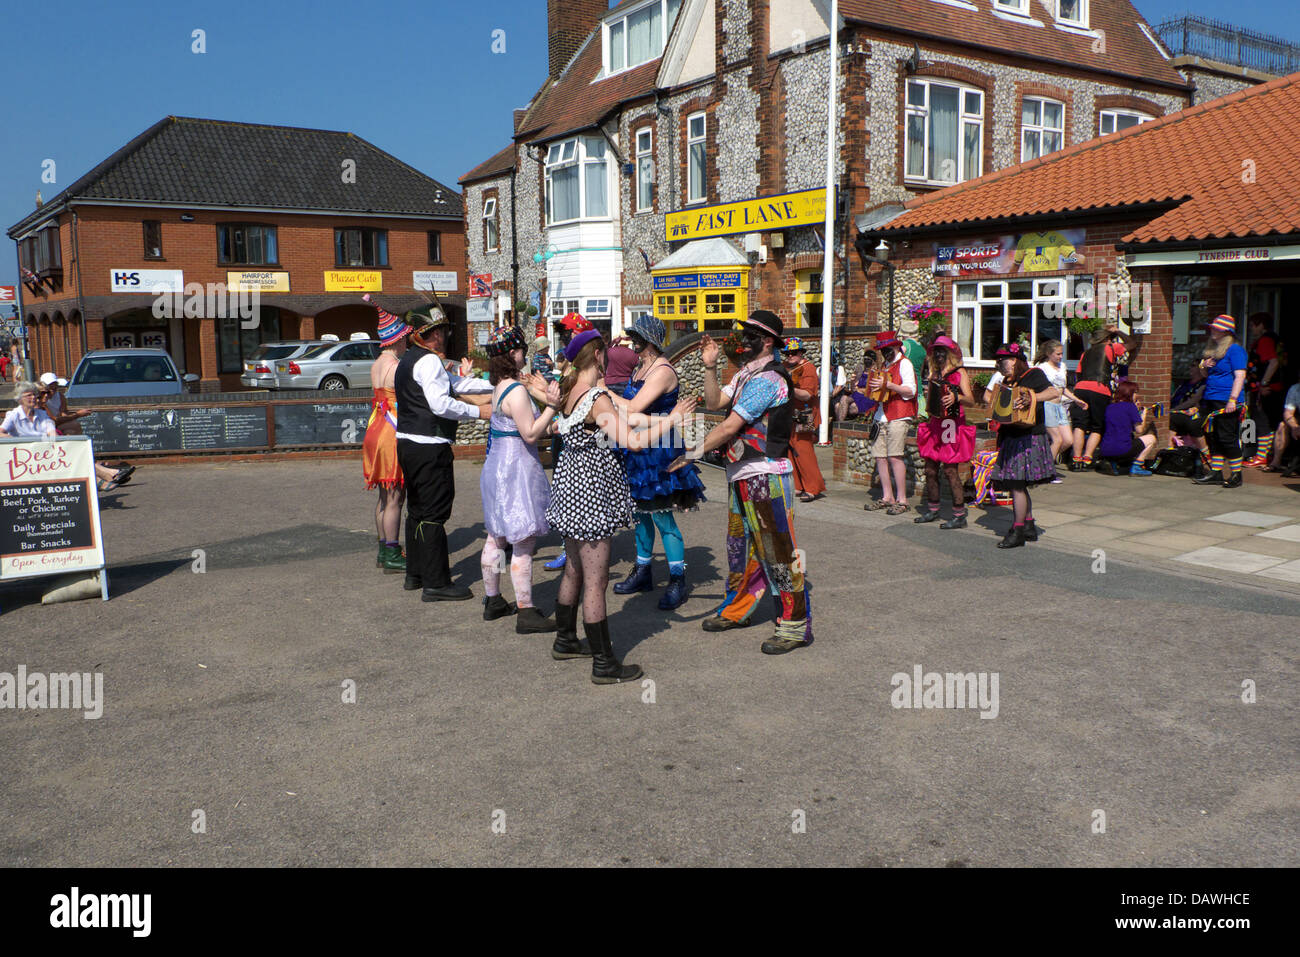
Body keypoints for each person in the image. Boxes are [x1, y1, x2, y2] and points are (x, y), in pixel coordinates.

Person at [546, 329, 695, 684]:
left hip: (569, 489)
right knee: (595, 581)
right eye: (607, 353)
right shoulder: (596, 397)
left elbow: (628, 417)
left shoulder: (570, 393)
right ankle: (604, 663)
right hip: (591, 493)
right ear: (598, 355)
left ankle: (565, 639)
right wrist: (672, 422)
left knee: (573, 571)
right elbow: (633, 441)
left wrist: (665, 418)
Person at [677, 310, 812, 655]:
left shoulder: (769, 379)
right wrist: (709, 366)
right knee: (741, 549)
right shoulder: (745, 375)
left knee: (779, 552)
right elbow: (713, 403)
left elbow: (728, 427)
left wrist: (691, 453)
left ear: (767, 341)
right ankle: (738, 609)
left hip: (766, 474)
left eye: (750, 333)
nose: (742, 338)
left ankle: (795, 626)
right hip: (742, 474)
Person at [394, 303, 494, 602]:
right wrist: (479, 411)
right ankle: (436, 582)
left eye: (443, 330)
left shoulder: (412, 358)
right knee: (435, 513)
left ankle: (416, 574)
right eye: (439, 331)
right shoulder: (428, 362)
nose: (444, 336)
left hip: (409, 443)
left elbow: (456, 383)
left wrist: (496, 383)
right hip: (428, 446)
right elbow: (441, 404)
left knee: (417, 511)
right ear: (427, 334)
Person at [608, 315, 706, 610]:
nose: (632, 342)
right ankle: (643, 571)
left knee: (662, 515)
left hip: (660, 449)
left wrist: (603, 395)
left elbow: (634, 407)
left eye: (637, 337)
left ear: (650, 340)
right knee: (641, 514)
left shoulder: (662, 370)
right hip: (639, 447)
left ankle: (678, 580)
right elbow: (629, 412)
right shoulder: (641, 366)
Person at [479, 325, 560, 633]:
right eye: (522, 349)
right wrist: (552, 407)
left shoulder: (499, 386)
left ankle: (493, 599)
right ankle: (526, 611)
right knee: (523, 541)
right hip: (516, 470)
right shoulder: (516, 390)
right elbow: (529, 432)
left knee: (495, 536)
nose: (525, 353)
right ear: (513, 353)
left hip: (496, 466)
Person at [988, 342, 1060, 548]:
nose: (1001, 364)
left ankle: (1017, 530)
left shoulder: (1033, 374)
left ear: (1015, 360)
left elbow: (1053, 393)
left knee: (1017, 484)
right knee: (1016, 484)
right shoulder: (1007, 381)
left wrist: (1031, 398)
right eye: (999, 360)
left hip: (1028, 437)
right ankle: (1028, 525)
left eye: (1005, 360)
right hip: (1012, 436)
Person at [362, 302, 412, 574]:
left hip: (375, 428)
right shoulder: (397, 367)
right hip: (391, 432)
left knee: (383, 496)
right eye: (405, 337)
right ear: (399, 339)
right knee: (395, 497)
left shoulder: (376, 365)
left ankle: (383, 549)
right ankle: (393, 552)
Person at [913, 335, 976, 528]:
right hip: (935, 426)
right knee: (930, 469)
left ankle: (959, 515)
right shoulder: (935, 374)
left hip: (952, 426)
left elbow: (971, 400)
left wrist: (956, 397)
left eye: (942, 351)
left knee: (950, 470)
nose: (939, 354)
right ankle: (933, 510)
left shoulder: (960, 373)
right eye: (936, 351)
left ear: (950, 353)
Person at [1193, 314, 1248, 488]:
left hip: (1227, 400)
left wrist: (1233, 400)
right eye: (1212, 328)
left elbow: (1240, 376)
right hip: (1211, 397)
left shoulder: (1235, 350)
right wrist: (1203, 366)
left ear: (1226, 332)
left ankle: (1236, 474)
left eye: (1216, 329)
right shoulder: (1214, 351)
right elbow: (1204, 376)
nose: (1212, 331)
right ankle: (1216, 472)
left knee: (1227, 437)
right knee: (1213, 436)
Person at [865, 330, 917, 515]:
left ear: (896, 346)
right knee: (880, 456)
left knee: (895, 456)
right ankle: (888, 497)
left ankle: (902, 499)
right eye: (882, 350)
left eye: (888, 349)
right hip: (881, 415)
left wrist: (888, 386)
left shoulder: (905, 364)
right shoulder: (885, 366)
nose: (886, 353)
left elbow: (911, 390)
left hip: (899, 414)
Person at [1069, 326, 1131, 470]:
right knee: (1098, 426)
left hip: (1080, 388)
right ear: (1107, 339)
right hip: (1099, 389)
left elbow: (1078, 373)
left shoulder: (1086, 353)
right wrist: (1118, 331)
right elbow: (1131, 343)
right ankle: (1087, 459)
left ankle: (1076, 459)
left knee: (1079, 425)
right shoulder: (1111, 348)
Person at [782, 338, 827, 502]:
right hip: (789, 414)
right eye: (786, 353)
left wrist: (787, 387)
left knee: (803, 451)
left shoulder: (808, 368)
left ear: (801, 352)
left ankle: (814, 488)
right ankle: (799, 486)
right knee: (790, 451)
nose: (789, 356)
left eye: (793, 352)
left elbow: (808, 394)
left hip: (804, 414)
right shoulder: (786, 366)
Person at [1244, 312, 1286, 467]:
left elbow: (1273, 362)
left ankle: (1262, 456)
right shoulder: (1274, 338)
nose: (1251, 329)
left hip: (1265, 389)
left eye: (1253, 325)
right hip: (1271, 388)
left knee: (1262, 422)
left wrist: (1264, 383)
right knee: (1269, 422)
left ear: (1261, 325)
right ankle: (1266, 456)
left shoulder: (1266, 340)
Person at [1034, 340, 1079, 475]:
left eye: (1062, 354)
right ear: (1049, 354)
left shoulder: (1063, 366)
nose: (1060, 356)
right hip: (1047, 406)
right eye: (1058, 354)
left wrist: (1077, 400)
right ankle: (1048, 470)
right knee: (1057, 439)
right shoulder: (1042, 368)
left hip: (1060, 406)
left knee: (1068, 440)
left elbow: (1063, 389)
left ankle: (1044, 460)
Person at [1096, 381, 1158, 474]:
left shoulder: (1110, 407)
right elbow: (1139, 430)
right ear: (1129, 393)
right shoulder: (1130, 407)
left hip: (1105, 450)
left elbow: (1122, 423)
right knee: (1151, 438)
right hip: (1121, 449)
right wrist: (1144, 414)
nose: (1137, 395)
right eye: (1136, 392)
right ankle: (1137, 467)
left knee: (1128, 439)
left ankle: (1113, 463)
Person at [1263, 379, 1300, 475]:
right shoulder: (1295, 389)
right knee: (1282, 425)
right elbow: (1288, 412)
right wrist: (1294, 426)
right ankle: (1276, 462)